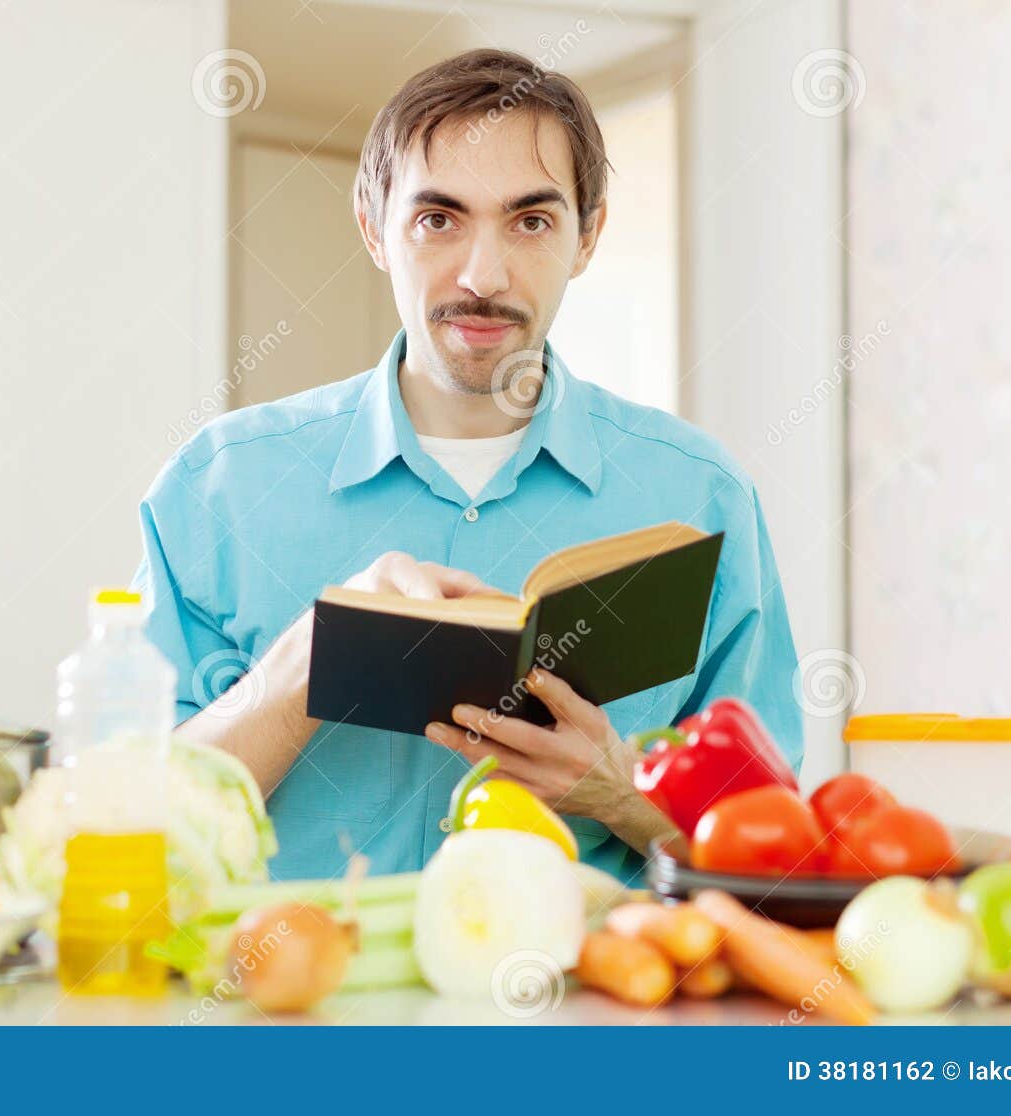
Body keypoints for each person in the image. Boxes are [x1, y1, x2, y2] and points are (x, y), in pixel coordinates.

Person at [133, 48, 801, 882]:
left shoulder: (704, 498)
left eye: (531, 221)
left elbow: (776, 868)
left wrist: (619, 792)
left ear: (586, 237)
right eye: (438, 219)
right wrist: (309, 658)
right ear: (375, 229)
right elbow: (130, 830)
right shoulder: (215, 487)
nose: (483, 277)